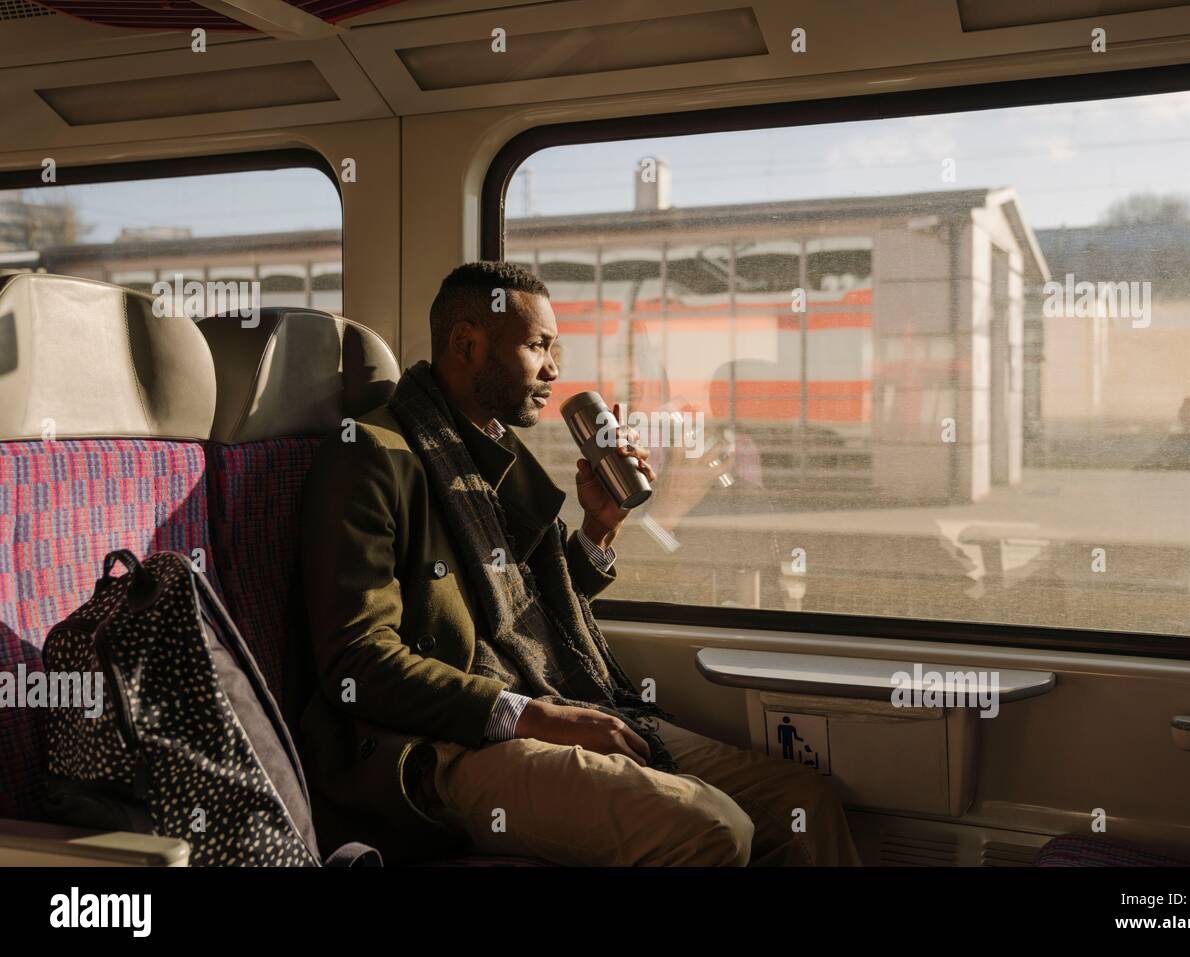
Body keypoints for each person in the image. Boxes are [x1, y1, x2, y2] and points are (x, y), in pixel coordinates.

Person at [294, 261, 861, 866]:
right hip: (445, 743)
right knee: (712, 830)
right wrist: (535, 718)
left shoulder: (491, 455)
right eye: (538, 346)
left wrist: (599, 527)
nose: (554, 370)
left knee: (808, 806)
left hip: (551, 697)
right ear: (466, 343)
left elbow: (526, 613)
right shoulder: (371, 457)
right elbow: (359, 660)